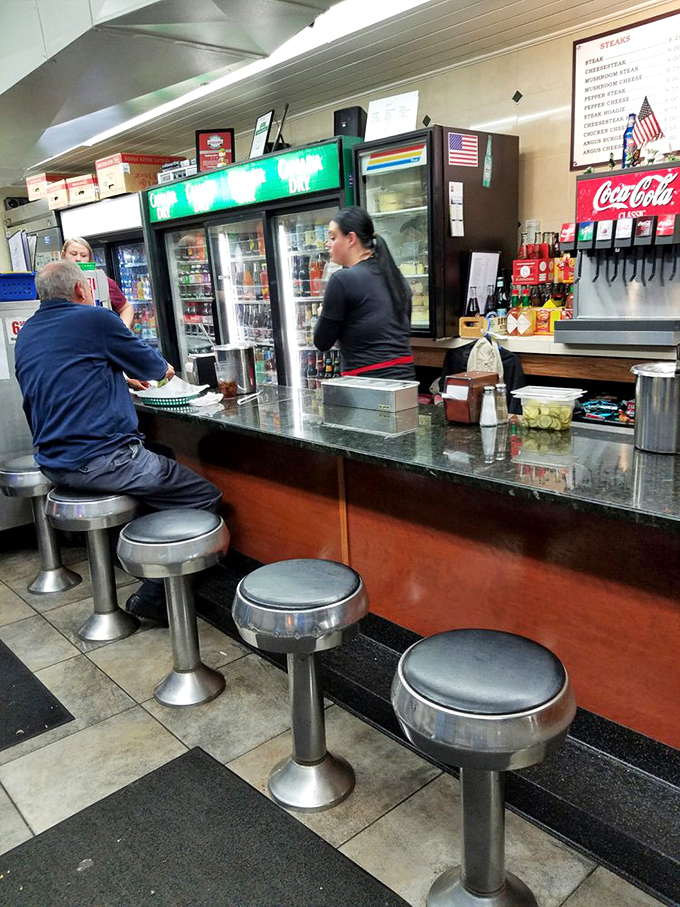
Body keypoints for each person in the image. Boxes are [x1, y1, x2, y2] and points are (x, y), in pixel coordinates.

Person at [15, 260, 222, 624]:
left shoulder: (28, 331)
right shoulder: (95, 319)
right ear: (82, 290)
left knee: (162, 456)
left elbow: (65, 378)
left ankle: (142, 559)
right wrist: (144, 371)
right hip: (101, 461)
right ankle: (156, 595)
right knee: (204, 496)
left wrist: (119, 380)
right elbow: (160, 370)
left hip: (53, 461)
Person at [313, 207, 416, 380]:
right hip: (405, 381)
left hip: (366, 384)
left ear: (351, 239)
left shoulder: (341, 280)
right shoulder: (396, 278)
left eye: (333, 237)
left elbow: (322, 342)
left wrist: (323, 314)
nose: (328, 243)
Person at [61, 237, 135, 329]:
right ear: (63, 255)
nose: (78, 259)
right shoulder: (55, 282)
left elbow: (126, 308)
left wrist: (123, 329)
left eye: (83, 255)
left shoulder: (102, 281)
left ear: (89, 259)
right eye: (73, 254)